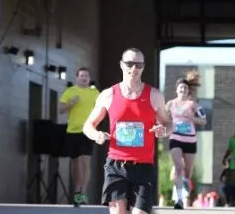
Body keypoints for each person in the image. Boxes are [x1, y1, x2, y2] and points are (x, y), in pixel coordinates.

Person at [83, 47, 171, 214]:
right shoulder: (108, 95)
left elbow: (168, 123)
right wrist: (97, 135)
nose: (134, 69)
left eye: (139, 65)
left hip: (143, 165)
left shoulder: (155, 95)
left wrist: (164, 130)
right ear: (122, 65)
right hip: (116, 165)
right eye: (130, 64)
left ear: (143, 67)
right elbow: (88, 125)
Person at [59, 67, 99, 206]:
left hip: (88, 131)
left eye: (86, 76)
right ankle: (77, 192)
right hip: (72, 132)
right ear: (77, 77)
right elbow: (60, 110)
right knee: (76, 163)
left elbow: (104, 109)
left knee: (85, 161)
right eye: (81, 75)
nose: (84, 78)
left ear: (89, 78)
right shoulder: (70, 92)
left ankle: (83, 193)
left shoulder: (95, 93)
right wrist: (71, 103)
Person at [166, 77, 207, 209]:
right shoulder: (170, 104)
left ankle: (184, 184)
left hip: (190, 140)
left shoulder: (193, 105)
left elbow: (204, 121)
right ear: (176, 90)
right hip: (175, 138)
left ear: (188, 90)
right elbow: (163, 119)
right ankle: (179, 200)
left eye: (185, 88)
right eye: (181, 88)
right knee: (179, 168)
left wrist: (191, 117)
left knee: (187, 172)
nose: (183, 90)